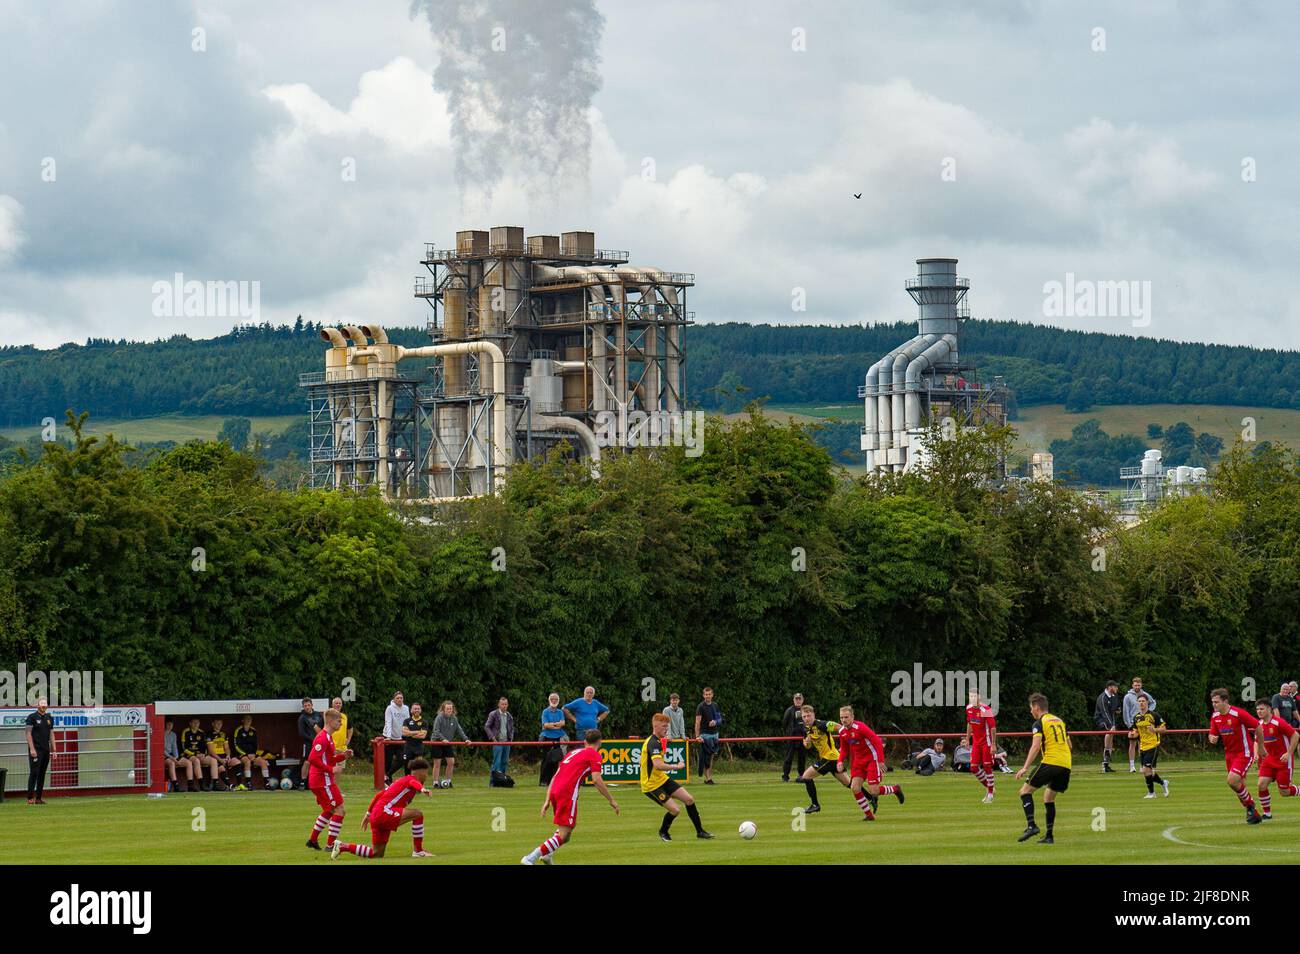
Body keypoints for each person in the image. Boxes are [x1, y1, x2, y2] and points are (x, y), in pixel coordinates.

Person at [521, 729, 620, 865]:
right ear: (600, 742)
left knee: (567, 833)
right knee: (563, 834)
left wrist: (547, 800)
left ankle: (548, 855)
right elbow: (597, 780)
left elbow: (555, 776)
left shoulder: (572, 752)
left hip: (555, 790)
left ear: (585, 742)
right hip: (567, 793)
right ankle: (530, 858)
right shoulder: (594, 755)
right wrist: (611, 800)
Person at [333, 757, 433, 860]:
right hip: (384, 813)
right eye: (426, 773)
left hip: (377, 815)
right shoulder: (410, 779)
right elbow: (414, 783)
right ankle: (418, 851)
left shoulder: (401, 781)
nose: (427, 776)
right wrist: (422, 789)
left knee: (377, 853)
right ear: (421, 772)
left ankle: (342, 846)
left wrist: (368, 814)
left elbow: (378, 796)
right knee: (418, 814)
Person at [640, 713, 713, 841]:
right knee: (675, 810)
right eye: (664, 726)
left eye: (667, 727)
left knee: (689, 799)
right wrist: (677, 766)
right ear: (655, 726)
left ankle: (700, 832)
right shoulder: (652, 743)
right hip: (651, 785)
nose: (666, 729)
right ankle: (663, 831)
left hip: (662, 779)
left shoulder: (659, 740)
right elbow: (658, 765)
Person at [1015, 693, 1071, 844]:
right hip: (1066, 764)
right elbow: (1069, 745)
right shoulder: (1059, 721)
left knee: (1024, 791)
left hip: (1051, 762)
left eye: (1031, 708)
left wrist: (1025, 767)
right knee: (1048, 798)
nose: (1030, 711)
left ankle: (1032, 826)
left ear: (1036, 707)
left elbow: (1035, 745)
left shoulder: (1039, 723)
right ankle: (1049, 836)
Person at [836, 705, 904, 821]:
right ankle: (869, 815)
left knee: (874, 791)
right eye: (841, 718)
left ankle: (895, 789)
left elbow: (877, 741)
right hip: (858, 762)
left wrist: (881, 761)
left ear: (852, 716)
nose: (843, 720)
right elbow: (844, 749)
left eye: (846, 717)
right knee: (855, 787)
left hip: (871, 760)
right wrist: (840, 761)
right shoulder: (842, 731)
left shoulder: (860, 727)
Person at [1208, 687, 1262, 824]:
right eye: (1212, 702)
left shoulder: (1238, 713)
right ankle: (1254, 814)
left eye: (1216, 702)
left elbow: (1258, 727)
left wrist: (1260, 748)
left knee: (1232, 780)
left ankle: (1250, 805)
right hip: (1229, 755)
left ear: (1225, 701)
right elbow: (1213, 733)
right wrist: (1212, 738)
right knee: (1238, 785)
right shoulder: (1215, 716)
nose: (1214, 705)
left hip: (1244, 752)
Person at [306, 707, 353, 851]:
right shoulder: (322, 737)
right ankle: (330, 845)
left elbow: (329, 759)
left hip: (321, 780)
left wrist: (343, 756)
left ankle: (312, 840)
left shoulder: (328, 737)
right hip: (322, 781)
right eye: (339, 721)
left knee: (329, 809)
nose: (340, 724)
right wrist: (330, 769)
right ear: (331, 721)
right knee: (340, 810)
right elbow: (312, 758)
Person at [794, 704, 852, 813]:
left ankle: (815, 805)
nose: (806, 718)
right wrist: (807, 743)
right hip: (832, 758)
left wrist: (847, 741)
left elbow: (839, 727)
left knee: (806, 777)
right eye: (804, 716)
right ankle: (871, 797)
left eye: (808, 715)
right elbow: (808, 745)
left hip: (830, 758)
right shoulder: (805, 728)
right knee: (849, 784)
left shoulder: (821, 724)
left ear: (813, 715)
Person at [1254, 699, 1299, 819]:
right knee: (1261, 785)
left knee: (1284, 792)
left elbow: (1295, 735)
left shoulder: (1278, 723)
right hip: (1268, 761)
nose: (1259, 711)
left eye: (1262, 709)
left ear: (1269, 709)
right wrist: (1256, 754)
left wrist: (1289, 753)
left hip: (1283, 761)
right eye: (1258, 709)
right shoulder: (1259, 725)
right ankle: (1267, 814)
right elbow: (1257, 741)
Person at [1128, 694, 1169, 798]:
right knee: (1145, 771)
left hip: (1153, 745)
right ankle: (1163, 783)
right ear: (1137, 703)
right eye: (1139, 701)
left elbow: (1164, 729)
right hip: (1142, 746)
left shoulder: (1154, 715)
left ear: (1147, 703)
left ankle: (1151, 793)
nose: (1141, 703)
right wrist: (1132, 734)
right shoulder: (1136, 717)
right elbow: (1136, 731)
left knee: (1146, 770)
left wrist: (1154, 729)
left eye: (1143, 701)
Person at [966, 690, 997, 802]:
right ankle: (990, 788)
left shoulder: (986, 710)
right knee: (973, 767)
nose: (972, 698)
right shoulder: (968, 708)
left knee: (987, 767)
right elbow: (969, 723)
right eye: (970, 696)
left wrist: (993, 744)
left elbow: (993, 728)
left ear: (979, 697)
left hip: (987, 743)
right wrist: (967, 738)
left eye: (974, 696)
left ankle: (990, 794)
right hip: (976, 742)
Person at [430, 700, 469, 788]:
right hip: (437, 741)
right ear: (443, 709)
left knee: (451, 762)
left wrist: (466, 739)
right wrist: (442, 739)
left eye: (450, 708)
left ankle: (448, 781)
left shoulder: (454, 718)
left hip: (447, 742)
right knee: (437, 763)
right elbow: (436, 731)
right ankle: (435, 782)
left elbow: (459, 730)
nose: (449, 710)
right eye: (447, 708)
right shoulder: (439, 717)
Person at [25, 697, 55, 805]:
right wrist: (32, 749)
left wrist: (54, 750)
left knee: (42, 774)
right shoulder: (32, 717)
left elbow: (51, 734)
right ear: (38, 705)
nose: (44, 705)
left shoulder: (49, 718)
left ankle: (38, 798)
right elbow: (28, 734)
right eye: (42, 704)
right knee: (34, 773)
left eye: (45, 704)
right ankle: (30, 798)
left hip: (46, 750)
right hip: (36, 750)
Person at [1122, 678, 1155, 773]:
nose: (1137, 687)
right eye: (1135, 685)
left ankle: (1142, 765)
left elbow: (1153, 702)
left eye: (1138, 685)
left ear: (1141, 685)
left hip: (1144, 723)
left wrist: (1149, 712)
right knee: (1132, 744)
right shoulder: (1128, 697)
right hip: (1133, 723)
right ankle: (1132, 766)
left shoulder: (1145, 695)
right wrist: (1128, 724)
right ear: (1132, 685)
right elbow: (1125, 712)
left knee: (1143, 744)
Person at [232, 714, 272, 791]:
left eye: (250, 719)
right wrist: (246, 754)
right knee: (247, 762)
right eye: (247, 719)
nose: (249, 720)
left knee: (263, 762)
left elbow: (256, 745)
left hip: (253, 754)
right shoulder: (238, 730)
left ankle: (266, 783)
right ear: (242, 720)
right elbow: (236, 746)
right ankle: (248, 783)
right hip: (241, 754)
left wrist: (253, 754)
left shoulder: (253, 731)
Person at [538, 692, 569, 787]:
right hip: (546, 737)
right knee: (546, 759)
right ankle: (543, 781)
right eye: (552, 699)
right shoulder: (545, 712)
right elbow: (546, 725)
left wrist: (552, 725)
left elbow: (563, 723)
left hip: (558, 738)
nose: (554, 700)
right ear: (549, 700)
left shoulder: (560, 712)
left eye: (556, 699)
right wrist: (556, 725)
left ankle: (552, 780)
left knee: (555, 760)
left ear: (558, 700)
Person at [694, 687, 722, 783]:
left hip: (715, 734)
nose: (708, 696)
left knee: (711, 757)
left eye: (709, 694)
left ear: (712, 695)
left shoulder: (715, 705)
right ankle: (708, 778)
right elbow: (697, 722)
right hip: (705, 735)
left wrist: (715, 722)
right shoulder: (700, 706)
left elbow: (719, 719)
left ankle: (709, 777)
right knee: (706, 757)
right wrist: (697, 736)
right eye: (706, 694)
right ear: (703, 695)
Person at [181, 718, 216, 792]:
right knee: (196, 761)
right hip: (188, 754)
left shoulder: (201, 732)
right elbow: (184, 748)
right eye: (194, 723)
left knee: (213, 761)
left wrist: (203, 754)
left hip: (200, 754)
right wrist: (194, 754)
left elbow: (205, 746)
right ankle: (201, 784)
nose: (196, 724)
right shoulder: (186, 732)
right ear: (190, 723)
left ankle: (214, 784)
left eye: (197, 723)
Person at [1094, 679, 1122, 772]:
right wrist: (1111, 725)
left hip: (1111, 720)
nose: (1117, 688)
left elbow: (1117, 707)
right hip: (1101, 720)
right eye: (1115, 686)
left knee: (1111, 737)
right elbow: (1104, 713)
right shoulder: (1102, 697)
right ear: (1110, 687)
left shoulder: (1114, 696)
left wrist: (1118, 710)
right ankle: (1106, 751)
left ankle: (1106, 765)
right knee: (1109, 732)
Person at [485, 697, 515, 782]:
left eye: (505, 704)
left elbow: (512, 728)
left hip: (507, 742)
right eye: (502, 704)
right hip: (497, 742)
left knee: (504, 763)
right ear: (499, 705)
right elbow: (487, 726)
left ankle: (502, 781)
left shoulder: (509, 716)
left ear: (507, 705)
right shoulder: (493, 714)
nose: (504, 706)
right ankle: (492, 782)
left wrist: (511, 739)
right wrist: (493, 738)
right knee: (496, 763)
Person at [382, 691, 409, 785]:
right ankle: (387, 780)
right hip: (389, 737)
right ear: (394, 699)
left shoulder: (406, 708)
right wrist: (388, 737)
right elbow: (388, 722)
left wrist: (407, 735)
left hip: (400, 738)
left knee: (403, 758)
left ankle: (388, 775)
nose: (399, 700)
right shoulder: (390, 708)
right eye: (397, 698)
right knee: (388, 761)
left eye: (401, 698)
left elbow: (407, 723)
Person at [206, 719, 240, 789]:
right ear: (213, 724)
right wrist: (220, 760)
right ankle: (229, 785)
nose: (219, 725)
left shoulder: (223, 734)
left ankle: (240, 785)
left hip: (224, 756)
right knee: (221, 768)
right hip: (215, 757)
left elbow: (227, 748)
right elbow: (210, 751)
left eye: (220, 723)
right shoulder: (209, 734)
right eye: (217, 723)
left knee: (237, 762)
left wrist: (228, 756)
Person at [297, 698, 323, 790]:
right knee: (307, 762)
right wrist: (313, 739)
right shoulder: (302, 718)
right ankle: (302, 782)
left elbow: (323, 728)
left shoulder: (318, 715)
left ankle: (319, 782)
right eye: (305, 706)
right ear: (303, 707)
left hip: (320, 744)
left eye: (308, 705)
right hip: (308, 743)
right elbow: (301, 733)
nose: (307, 707)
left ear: (312, 705)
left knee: (320, 762)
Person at [781, 692, 806, 782]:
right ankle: (785, 776)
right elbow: (784, 723)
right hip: (792, 738)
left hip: (803, 737)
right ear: (794, 700)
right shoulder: (789, 710)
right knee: (788, 757)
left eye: (800, 699)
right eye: (796, 699)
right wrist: (788, 734)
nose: (798, 701)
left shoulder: (806, 710)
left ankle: (801, 776)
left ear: (802, 700)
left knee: (802, 758)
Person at [163, 719, 193, 793]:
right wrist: (171, 758)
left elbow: (174, 746)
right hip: (164, 756)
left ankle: (190, 785)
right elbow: (161, 749)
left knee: (188, 763)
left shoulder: (173, 734)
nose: (170, 726)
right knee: (171, 763)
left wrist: (176, 757)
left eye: (171, 724)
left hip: (173, 755)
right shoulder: (161, 733)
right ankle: (176, 785)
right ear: (165, 725)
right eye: (168, 724)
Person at [400, 702, 429, 779]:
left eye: (418, 709)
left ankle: (418, 785)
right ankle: (407, 784)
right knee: (407, 766)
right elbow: (404, 733)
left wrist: (410, 733)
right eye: (415, 709)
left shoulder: (424, 722)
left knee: (418, 767)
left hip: (418, 747)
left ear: (421, 710)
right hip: (408, 747)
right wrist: (417, 732)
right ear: (411, 710)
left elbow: (423, 736)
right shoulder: (406, 721)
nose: (417, 710)